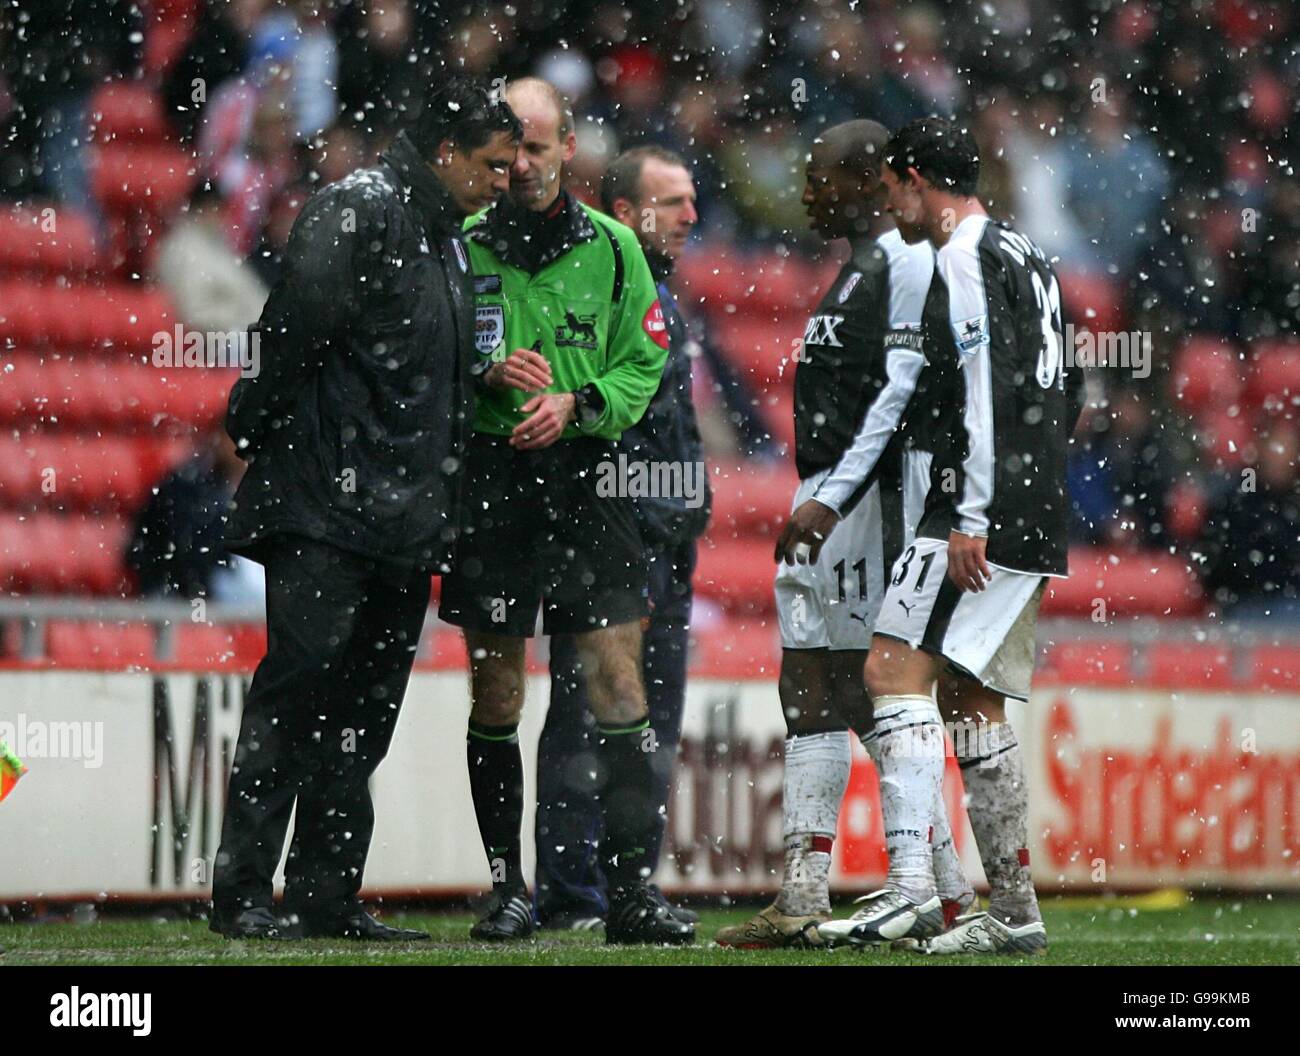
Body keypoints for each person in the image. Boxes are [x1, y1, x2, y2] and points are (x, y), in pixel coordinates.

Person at [210, 76, 521, 941]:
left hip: (407, 518)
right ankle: (241, 895)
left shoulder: (450, 238)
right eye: (492, 165)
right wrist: (257, 422)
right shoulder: (359, 209)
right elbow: (292, 334)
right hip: (326, 507)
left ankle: (325, 895)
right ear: (446, 153)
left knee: (363, 714)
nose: (504, 181)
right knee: (298, 694)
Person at [820, 117, 1084, 954]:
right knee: (974, 704)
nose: (884, 202)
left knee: (889, 668)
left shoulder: (964, 254)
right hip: (1033, 496)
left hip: (977, 504)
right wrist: (1030, 482)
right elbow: (1063, 384)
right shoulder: (1024, 250)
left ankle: (905, 891)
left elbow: (982, 388)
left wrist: (973, 514)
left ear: (911, 177)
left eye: (890, 186)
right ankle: (1014, 913)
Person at [436, 78, 686, 945]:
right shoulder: (458, 242)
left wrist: (577, 404)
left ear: (569, 148)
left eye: (539, 148)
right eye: (511, 148)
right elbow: (423, 365)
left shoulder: (618, 248)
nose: (522, 165)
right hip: (495, 484)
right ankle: (508, 889)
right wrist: (484, 378)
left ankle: (629, 895)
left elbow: (642, 366)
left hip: (590, 482)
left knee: (618, 678)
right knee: (498, 686)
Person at [714, 120, 972, 949]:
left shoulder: (900, 268)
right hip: (831, 504)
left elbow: (905, 402)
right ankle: (810, 890)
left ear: (867, 180)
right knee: (813, 691)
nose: (806, 189)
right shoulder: (860, 272)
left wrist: (844, 497)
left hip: (868, 513)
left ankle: (929, 887)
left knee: (867, 691)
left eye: (820, 174)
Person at [533, 145, 710, 931]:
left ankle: (629, 887)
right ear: (628, 212)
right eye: (673, 202)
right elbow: (605, 420)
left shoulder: (659, 297)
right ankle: (573, 892)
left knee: (651, 721)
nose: (691, 216)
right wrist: (632, 520)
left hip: (665, 541)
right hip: (615, 539)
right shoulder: (598, 286)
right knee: (591, 715)